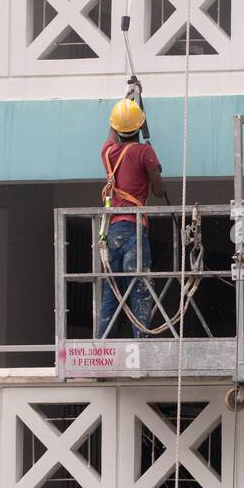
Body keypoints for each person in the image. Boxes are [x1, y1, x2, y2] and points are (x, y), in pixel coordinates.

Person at [98, 97, 165, 338]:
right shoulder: (144, 152)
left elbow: (111, 134)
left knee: (111, 292)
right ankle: (142, 348)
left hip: (112, 231)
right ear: (139, 127)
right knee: (140, 290)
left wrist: (127, 99)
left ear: (116, 128)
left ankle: (102, 347)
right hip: (134, 230)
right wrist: (155, 170)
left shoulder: (107, 152)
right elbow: (159, 191)